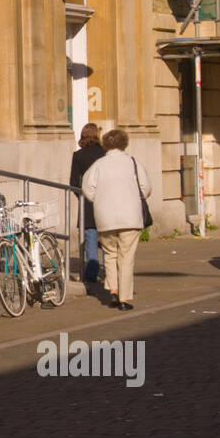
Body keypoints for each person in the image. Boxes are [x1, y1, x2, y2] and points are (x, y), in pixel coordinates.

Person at [81, 127, 151, 311]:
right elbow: (146, 187)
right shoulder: (133, 163)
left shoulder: (98, 165)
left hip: (105, 218)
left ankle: (113, 289)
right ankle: (125, 299)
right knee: (126, 257)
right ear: (124, 143)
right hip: (130, 217)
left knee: (110, 253)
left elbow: (88, 189)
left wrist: (100, 200)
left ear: (105, 144)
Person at [69, 123, 106, 285]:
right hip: (106, 201)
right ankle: (110, 273)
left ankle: (91, 276)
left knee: (90, 239)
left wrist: (82, 196)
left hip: (87, 204)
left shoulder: (78, 156)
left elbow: (73, 182)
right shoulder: (105, 154)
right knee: (108, 241)